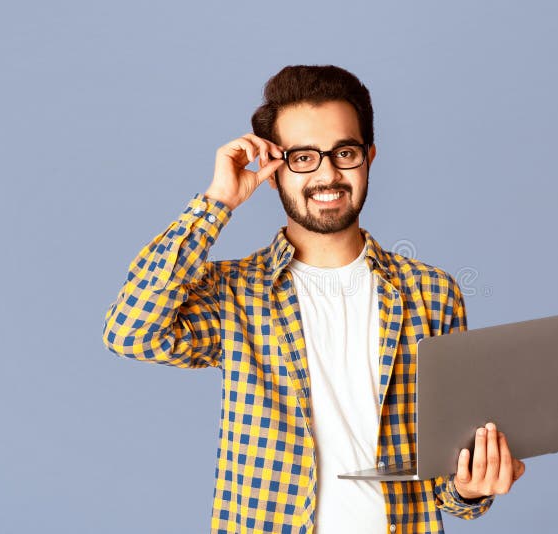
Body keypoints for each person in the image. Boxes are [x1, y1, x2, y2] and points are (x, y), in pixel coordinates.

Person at [102, 65, 525, 533]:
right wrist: (217, 202)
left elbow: (448, 487)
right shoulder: (237, 292)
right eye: (303, 157)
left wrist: (473, 485)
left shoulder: (431, 293)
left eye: (344, 153)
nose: (327, 175)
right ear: (273, 170)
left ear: (369, 157)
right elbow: (131, 332)